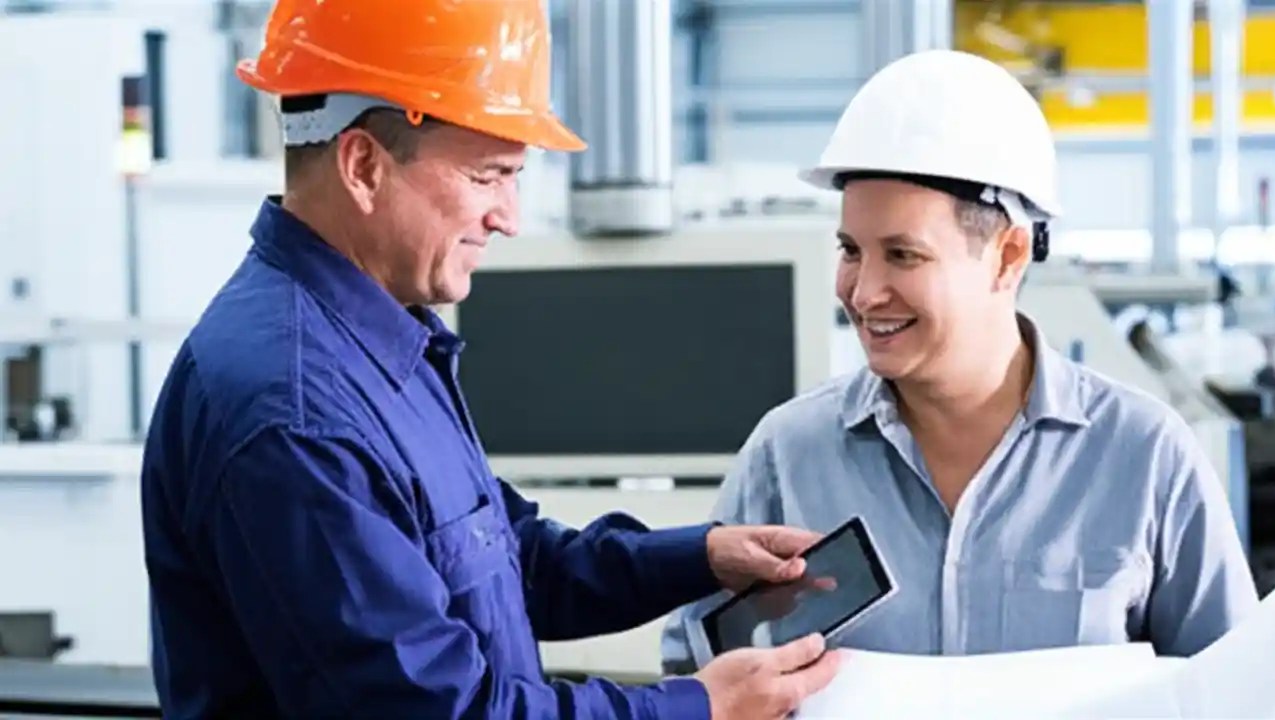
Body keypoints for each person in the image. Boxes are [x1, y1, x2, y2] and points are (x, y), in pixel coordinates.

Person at [138, 1, 841, 718]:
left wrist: (701, 559)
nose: (509, 216)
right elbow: (441, 711)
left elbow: (505, 564)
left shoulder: (379, 345)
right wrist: (696, 707)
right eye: (488, 176)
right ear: (363, 166)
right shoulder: (296, 413)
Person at [661, 49, 1260, 673]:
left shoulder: (1144, 455)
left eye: (903, 255)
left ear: (1008, 256)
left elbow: (1233, 687)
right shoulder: (788, 456)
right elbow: (694, 678)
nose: (863, 292)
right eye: (851, 250)